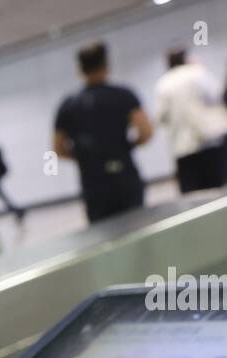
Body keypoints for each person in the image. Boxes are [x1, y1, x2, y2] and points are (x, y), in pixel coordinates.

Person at [54, 41, 154, 224]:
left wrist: (83, 158)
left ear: (80, 69)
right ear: (106, 65)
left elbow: (58, 149)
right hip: (124, 178)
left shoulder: (68, 105)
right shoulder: (124, 95)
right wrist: (128, 146)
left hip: (93, 184)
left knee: (104, 239)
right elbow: (146, 132)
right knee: (137, 229)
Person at [155, 48, 227, 194]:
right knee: (222, 191)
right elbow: (217, 96)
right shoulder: (197, 72)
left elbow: (161, 117)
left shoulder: (163, 83)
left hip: (184, 150)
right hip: (211, 143)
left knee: (194, 197)